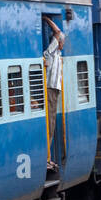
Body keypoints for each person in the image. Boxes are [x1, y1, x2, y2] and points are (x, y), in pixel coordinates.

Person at [42, 17, 65, 169]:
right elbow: (57, 32)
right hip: (50, 90)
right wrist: (46, 19)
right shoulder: (50, 52)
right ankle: (46, 158)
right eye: (62, 41)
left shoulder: (58, 55)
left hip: (54, 91)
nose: (63, 44)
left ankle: (48, 156)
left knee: (52, 124)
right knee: (49, 125)